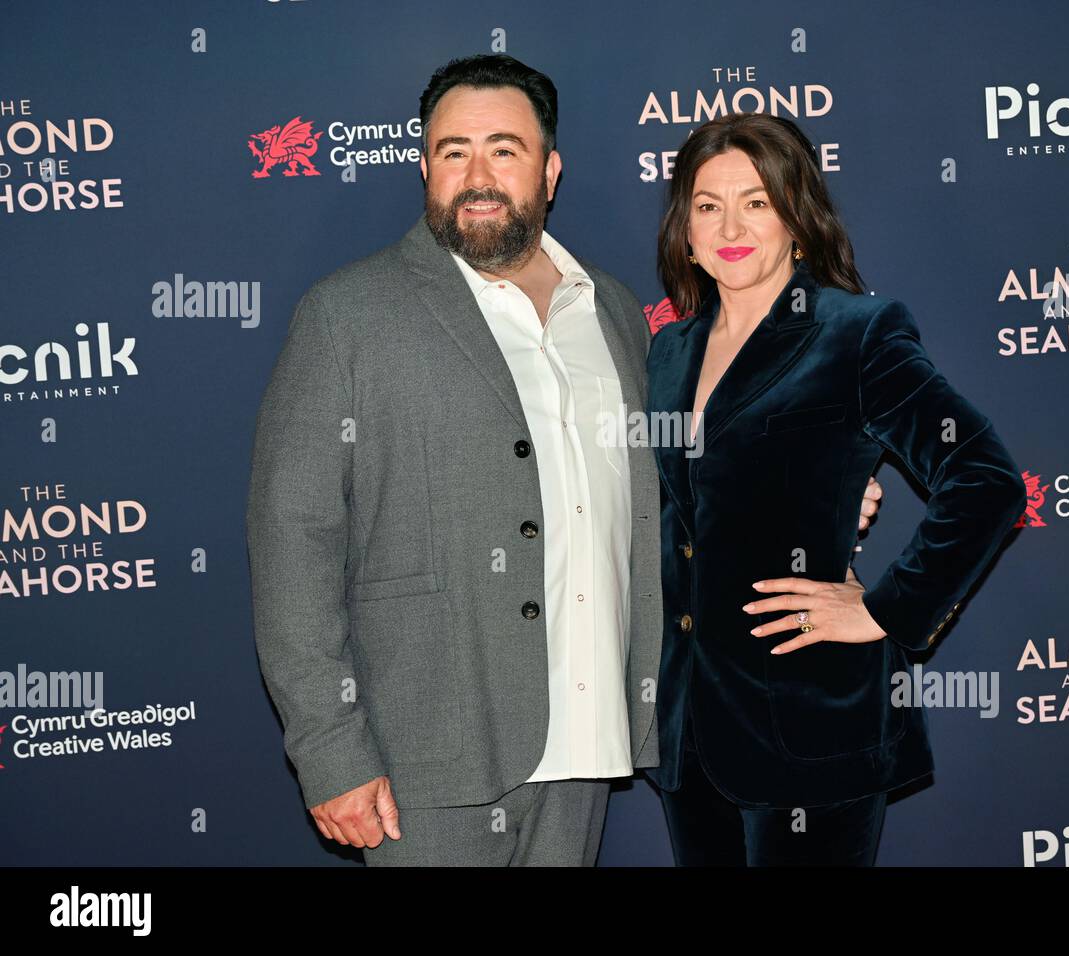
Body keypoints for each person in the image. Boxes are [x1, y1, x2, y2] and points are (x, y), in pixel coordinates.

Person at [246, 53, 886, 866]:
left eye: (504, 150)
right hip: (429, 762)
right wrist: (331, 750)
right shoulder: (347, 315)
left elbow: (679, 489)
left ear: (549, 171)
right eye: (453, 152)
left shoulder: (615, 310)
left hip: (590, 746)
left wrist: (813, 494)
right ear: (423, 167)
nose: (477, 175)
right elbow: (291, 539)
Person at [645, 113, 1028, 866]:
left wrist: (887, 607)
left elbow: (985, 479)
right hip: (691, 734)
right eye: (708, 204)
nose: (731, 225)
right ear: (683, 228)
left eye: (756, 201)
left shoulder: (854, 333)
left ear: (797, 217)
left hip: (813, 722)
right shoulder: (668, 350)